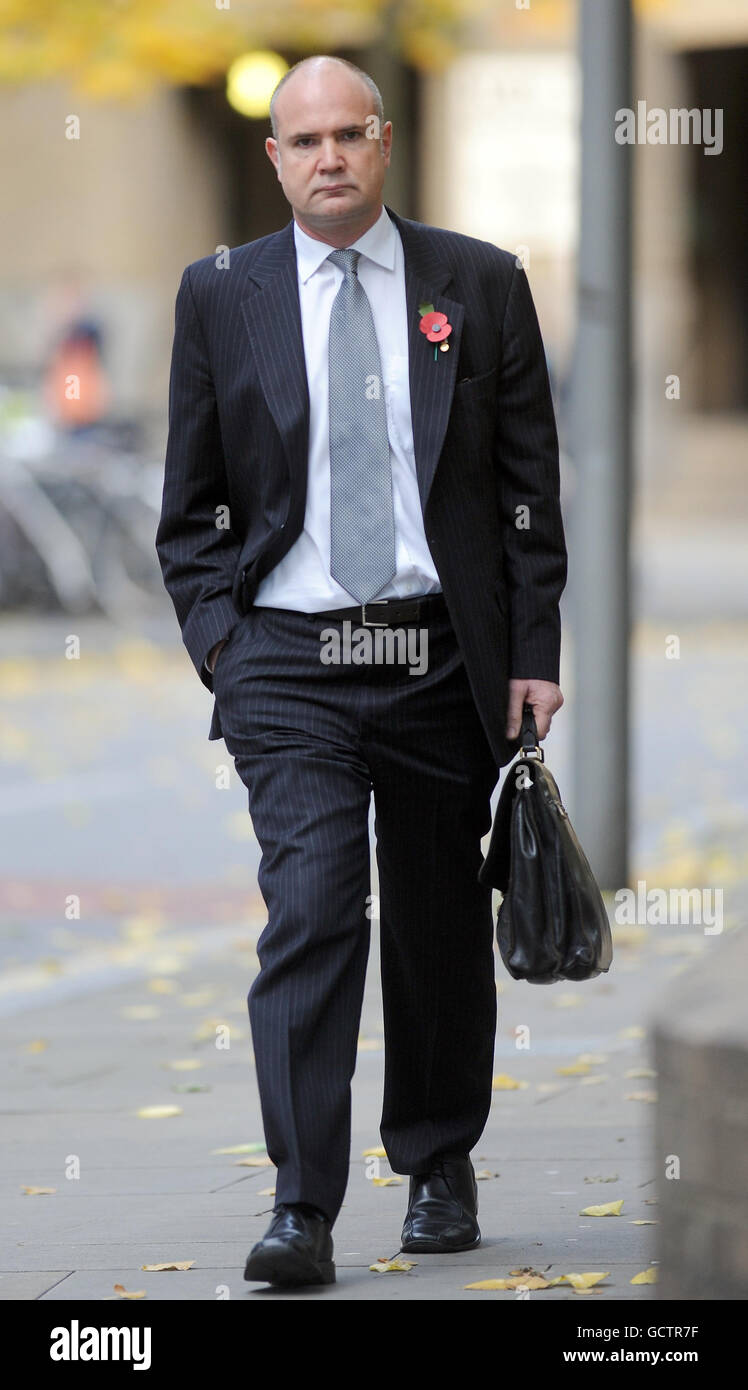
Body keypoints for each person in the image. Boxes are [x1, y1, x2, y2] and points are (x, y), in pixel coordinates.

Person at [156, 54, 567, 1289]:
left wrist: (532, 654)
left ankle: (439, 1164)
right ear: (271, 160)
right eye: (304, 140)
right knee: (315, 908)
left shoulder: (477, 283)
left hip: (440, 653)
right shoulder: (220, 294)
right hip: (287, 656)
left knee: (439, 921)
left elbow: (526, 492)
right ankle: (300, 1204)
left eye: (350, 134)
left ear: (383, 145)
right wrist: (227, 651)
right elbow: (190, 511)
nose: (328, 157)